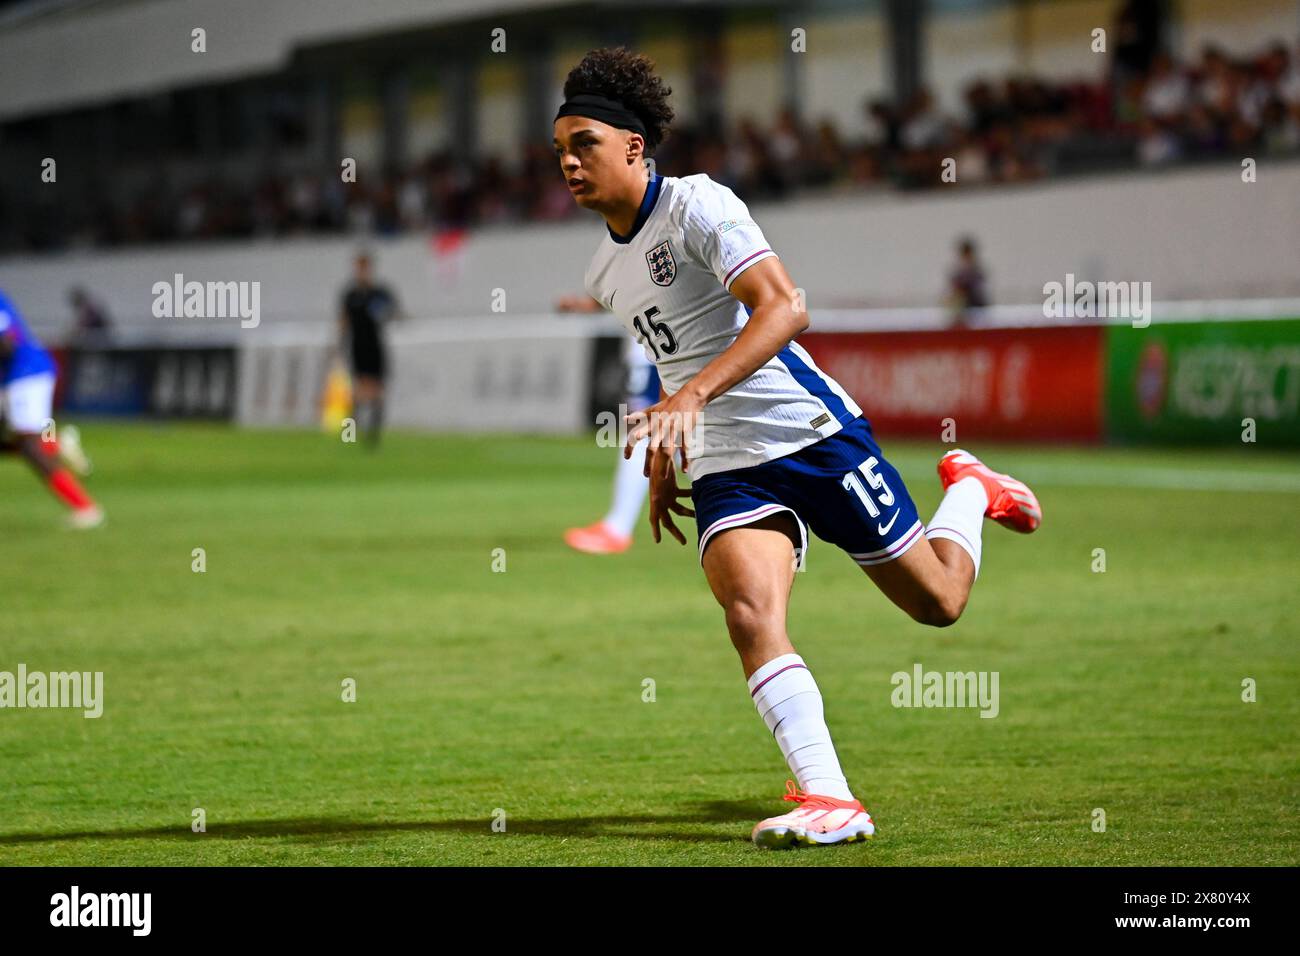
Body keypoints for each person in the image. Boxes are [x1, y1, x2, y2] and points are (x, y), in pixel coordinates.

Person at [553, 47, 1042, 849]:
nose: (569, 163)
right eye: (561, 151)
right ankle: (831, 799)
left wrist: (692, 399)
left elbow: (783, 310)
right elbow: (677, 359)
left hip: (808, 434)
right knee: (749, 613)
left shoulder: (701, 206)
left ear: (635, 147)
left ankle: (970, 490)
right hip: (723, 463)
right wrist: (670, 455)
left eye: (585, 146)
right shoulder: (605, 269)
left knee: (938, 604)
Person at [558, 293, 659, 555]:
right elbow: (620, 288)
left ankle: (617, 528)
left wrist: (589, 304)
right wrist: (589, 304)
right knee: (660, 439)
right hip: (650, 355)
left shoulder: (650, 255)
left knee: (645, 438)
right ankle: (617, 527)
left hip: (656, 357)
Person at [0, 288, 102, 528]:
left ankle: (86, 509)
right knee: (25, 445)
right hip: (14, 377)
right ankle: (56, 443)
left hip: (26, 374)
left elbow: (6, 345)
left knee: (30, 447)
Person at [338, 252, 399, 447]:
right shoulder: (350, 295)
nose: (362, 272)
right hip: (357, 346)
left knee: (377, 390)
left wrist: (390, 314)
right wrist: (339, 345)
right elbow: (343, 321)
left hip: (375, 345)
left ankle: (373, 435)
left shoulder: (379, 293)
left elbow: (393, 313)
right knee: (358, 390)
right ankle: (350, 432)